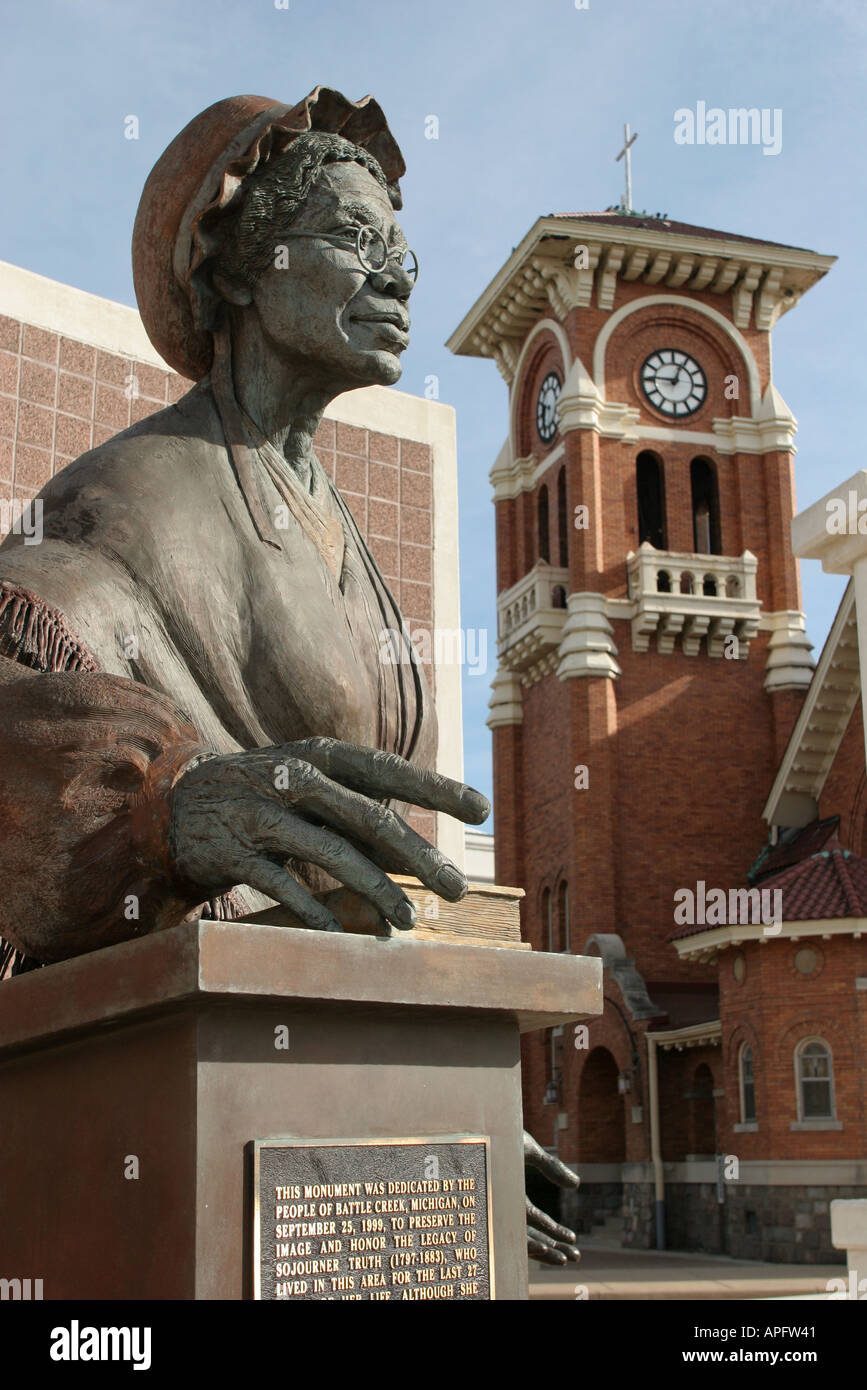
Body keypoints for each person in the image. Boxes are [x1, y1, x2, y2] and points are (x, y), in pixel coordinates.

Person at [0, 86, 579, 1264]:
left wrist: (433, 1107)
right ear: (249, 268)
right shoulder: (118, 502)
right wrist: (158, 802)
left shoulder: (338, 517)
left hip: (322, 1125)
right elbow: (24, 702)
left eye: (403, 251)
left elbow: (373, 871)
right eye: (359, 242)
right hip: (175, 1080)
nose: (399, 276)